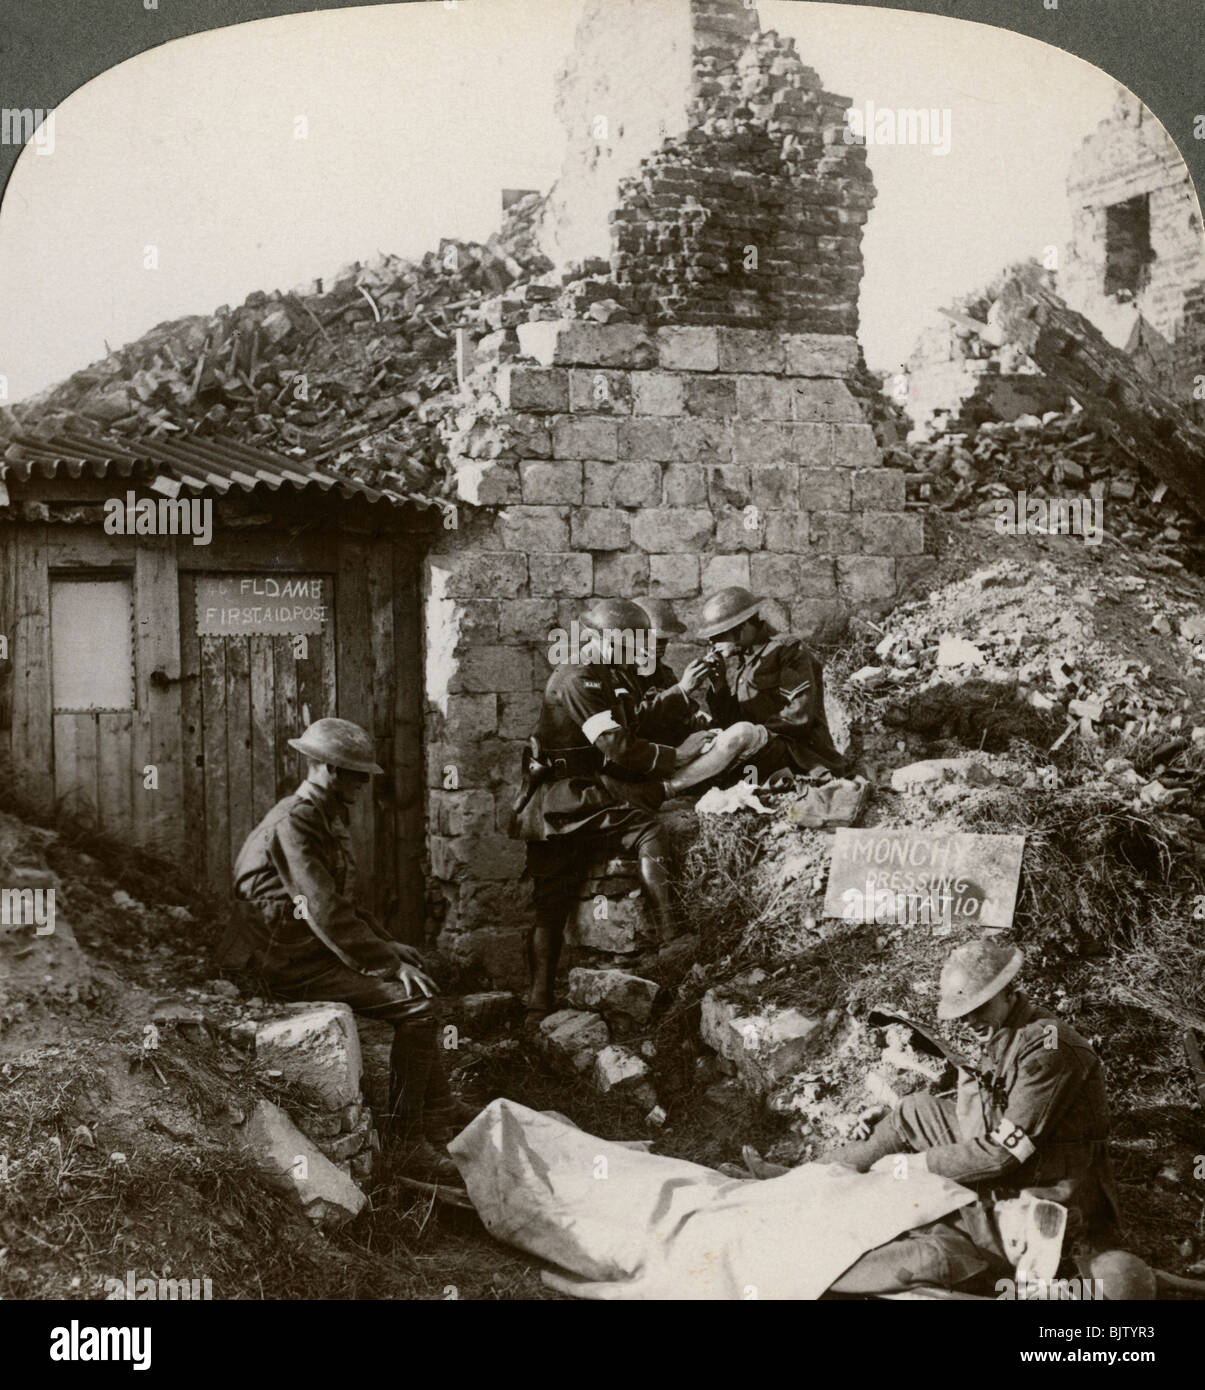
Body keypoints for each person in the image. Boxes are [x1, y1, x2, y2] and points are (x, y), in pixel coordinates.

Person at [748, 940, 1121, 1295]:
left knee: (935, 1216)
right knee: (914, 1111)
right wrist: (891, 1125)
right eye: (965, 1012)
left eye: (979, 1008)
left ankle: (836, 1205)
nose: (971, 1020)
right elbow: (992, 1105)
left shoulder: (1048, 1047)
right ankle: (801, 1181)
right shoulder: (1007, 1029)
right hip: (1022, 1149)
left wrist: (917, 1164)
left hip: (1048, 1176)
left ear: (1008, 992)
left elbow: (1004, 1154)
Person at [227, 717, 472, 1182]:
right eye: (355, 775)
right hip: (289, 960)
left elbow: (343, 902)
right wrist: (385, 963)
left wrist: (388, 946)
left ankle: (439, 1108)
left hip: (308, 947)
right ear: (328, 771)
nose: (362, 785)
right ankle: (407, 1140)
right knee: (418, 1007)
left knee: (418, 980)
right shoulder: (296, 821)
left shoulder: (322, 816)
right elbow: (320, 908)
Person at [509, 597, 724, 1022]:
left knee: (559, 895)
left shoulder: (609, 675)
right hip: (562, 799)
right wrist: (675, 756)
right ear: (602, 639)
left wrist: (683, 699)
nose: (638, 652)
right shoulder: (578, 678)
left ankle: (665, 938)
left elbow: (636, 720)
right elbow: (614, 743)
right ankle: (542, 1000)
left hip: (585, 795)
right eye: (630, 643)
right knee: (558, 896)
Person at [697, 586, 846, 781]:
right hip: (763, 750)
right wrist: (719, 686)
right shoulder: (747, 661)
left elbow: (797, 717)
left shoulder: (788, 651)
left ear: (742, 627)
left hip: (798, 755)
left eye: (718, 636)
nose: (713, 644)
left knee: (716, 772)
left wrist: (754, 737)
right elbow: (734, 723)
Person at [632, 598, 717, 746]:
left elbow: (680, 720)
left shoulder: (664, 673)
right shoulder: (618, 674)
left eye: (665, 640)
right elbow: (634, 722)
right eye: (654, 639)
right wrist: (682, 689)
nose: (661, 645)